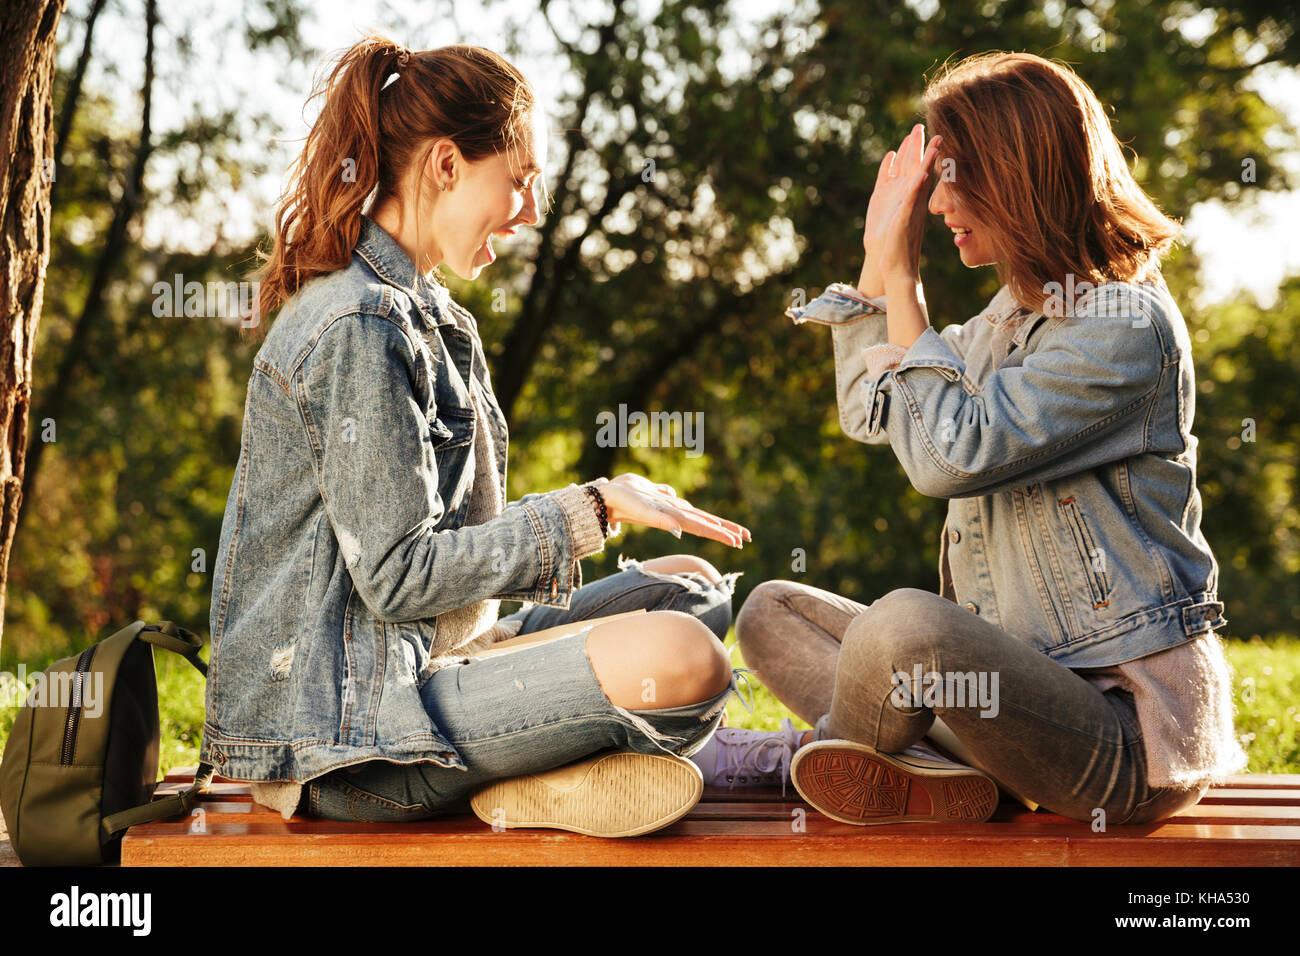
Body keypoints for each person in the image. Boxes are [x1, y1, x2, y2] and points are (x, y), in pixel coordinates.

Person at [201, 35, 752, 838]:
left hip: (452, 653)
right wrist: (592, 509)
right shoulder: (358, 323)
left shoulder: (438, 321)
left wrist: (605, 511)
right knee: (686, 663)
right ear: (447, 165)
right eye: (520, 182)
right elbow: (397, 576)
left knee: (690, 590)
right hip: (357, 733)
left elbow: (457, 553)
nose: (531, 211)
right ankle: (545, 768)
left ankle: (546, 771)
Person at [697, 52, 1246, 827]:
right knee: (769, 610)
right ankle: (917, 771)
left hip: (1123, 744)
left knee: (905, 628)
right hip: (1008, 709)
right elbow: (873, 412)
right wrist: (875, 264)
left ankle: (816, 763)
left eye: (951, 176)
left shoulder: (1122, 326)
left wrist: (907, 281)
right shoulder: (1010, 316)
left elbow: (949, 456)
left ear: (1016, 176)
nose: (937, 203)